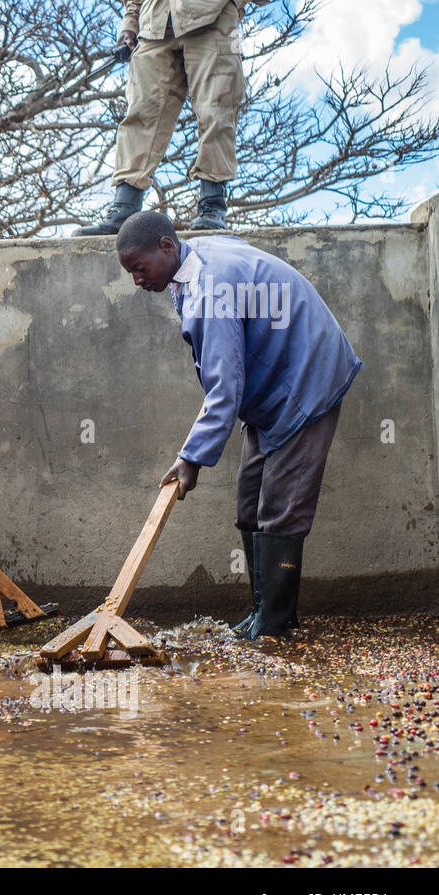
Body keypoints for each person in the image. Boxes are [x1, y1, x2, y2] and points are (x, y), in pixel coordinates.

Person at [115, 211, 361, 640]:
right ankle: (261, 610)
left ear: (167, 247)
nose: (136, 280)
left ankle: (275, 624)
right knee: (250, 503)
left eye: (140, 267)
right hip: (271, 385)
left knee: (280, 510)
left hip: (306, 377)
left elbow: (223, 388)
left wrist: (190, 459)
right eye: (130, 272)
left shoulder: (209, 288)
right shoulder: (193, 267)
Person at [77, 0, 267, 236]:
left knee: (216, 111)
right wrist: (130, 23)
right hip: (153, 23)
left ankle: (212, 206)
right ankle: (124, 209)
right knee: (140, 114)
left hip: (213, 17)